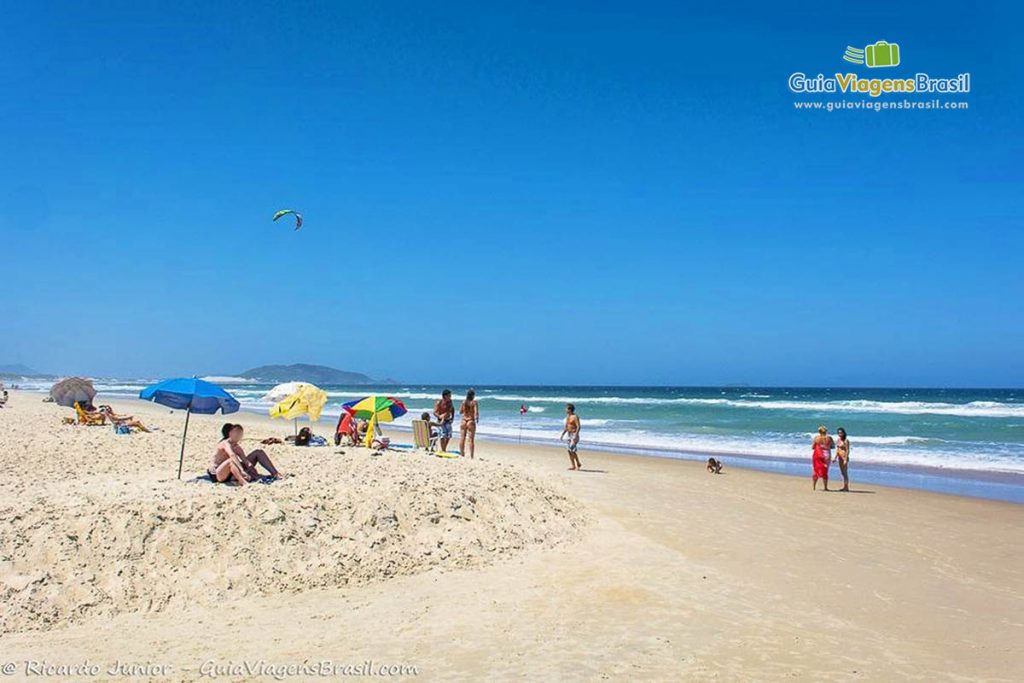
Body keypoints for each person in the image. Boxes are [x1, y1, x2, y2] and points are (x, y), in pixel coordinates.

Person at [209, 423, 283, 485]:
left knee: (258, 452)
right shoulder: (225, 443)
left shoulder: (236, 446)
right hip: (218, 474)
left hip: (233, 471)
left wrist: (251, 468)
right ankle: (243, 482)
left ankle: (275, 474)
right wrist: (242, 470)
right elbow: (232, 455)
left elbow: (245, 460)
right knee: (231, 460)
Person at [560, 403, 582, 470]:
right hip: (569, 435)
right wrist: (562, 434)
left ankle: (578, 462)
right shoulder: (567, 416)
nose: (565, 410)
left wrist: (576, 434)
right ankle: (573, 466)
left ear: (570, 409)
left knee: (572, 450)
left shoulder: (575, 417)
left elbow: (578, 426)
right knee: (569, 451)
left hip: (574, 434)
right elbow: (566, 427)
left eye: (566, 408)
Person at [811, 425, 834, 491]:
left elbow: (813, 447)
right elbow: (832, 446)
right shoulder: (829, 438)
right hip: (827, 455)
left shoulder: (816, 438)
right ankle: (825, 487)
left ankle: (814, 487)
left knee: (816, 470)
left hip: (817, 455)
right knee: (825, 471)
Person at [459, 389, 479, 459]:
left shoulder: (463, 402)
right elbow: (476, 412)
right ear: (473, 395)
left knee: (462, 438)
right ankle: (471, 456)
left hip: (464, 420)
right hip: (471, 420)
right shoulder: (474, 402)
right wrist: (477, 418)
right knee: (471, 439)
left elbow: (460, 411)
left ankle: (462, 454)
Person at [834, 427, 851, 492]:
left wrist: (845, 459)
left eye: (841, 433)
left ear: (844, 433)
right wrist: (835, 458)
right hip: (840, 457)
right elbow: (837, 450)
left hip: (844, 457)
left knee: (845, 472)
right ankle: (844, 486)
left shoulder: (846, 440)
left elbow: (847, 450)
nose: (840, 434)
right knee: (842, 472)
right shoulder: (838, 440)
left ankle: (846, 487)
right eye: (838, 433)